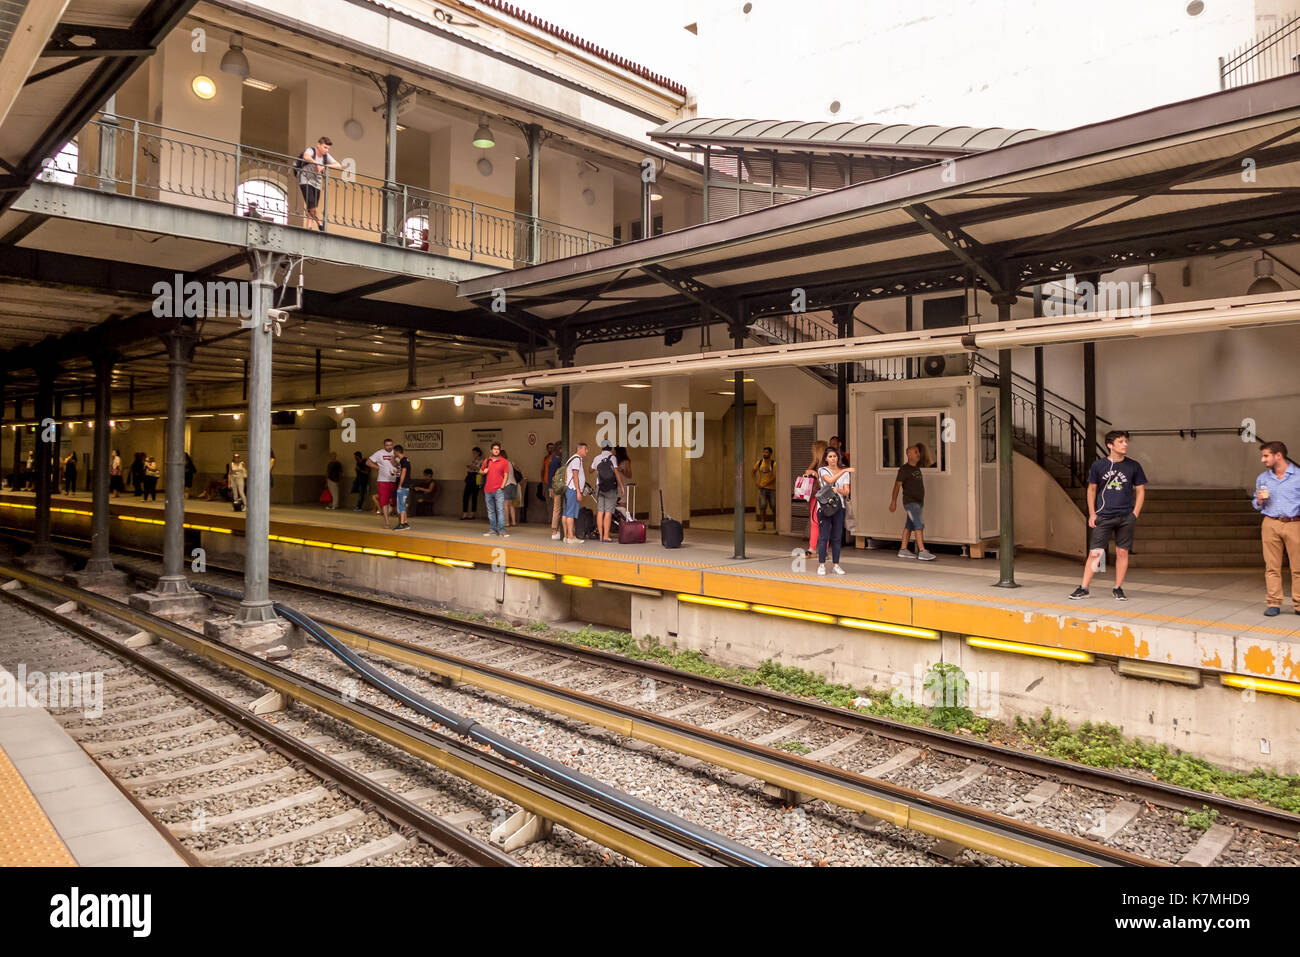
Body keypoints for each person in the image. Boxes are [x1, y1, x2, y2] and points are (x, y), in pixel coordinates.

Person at [1069, 430, 1148, 602]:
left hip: (1126, 516)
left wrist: (1135, 513)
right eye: (1120, 442)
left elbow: (1140, 490)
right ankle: (1084, 588)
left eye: (1125, 441)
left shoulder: (1133, 466)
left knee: (1122, 552)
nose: (1125, 444)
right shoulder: (1099, 466)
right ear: (1110, 445)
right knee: (1095, 553)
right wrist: (1092, 513)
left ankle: (1118, 587)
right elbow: (1091, 489)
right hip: (1104, 516)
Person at [1252, 440, 1300, 617]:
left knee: (1298, 567)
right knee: (1272, 566)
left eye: (1266, 456)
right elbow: (1256, 505)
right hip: (1270, 523)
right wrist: (1258, 500)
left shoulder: (1298, 477)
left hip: (1295, 523)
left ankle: (1299, 604)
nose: (1263, 459)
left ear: (1278, 455)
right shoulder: (1263, 478)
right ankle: (1273, 602)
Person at [807, 448, 853, 576]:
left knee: (837, 537)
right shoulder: (822, 470)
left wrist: (838, 490)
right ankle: (821, 564)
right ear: (826, 459)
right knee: (824, 536)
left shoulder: (844, 473)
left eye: (835, 456)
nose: (833, 459)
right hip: (824, 507)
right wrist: (844, 470)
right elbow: (829, 481)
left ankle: (836, 564)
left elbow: (846, 491)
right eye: (830, 456)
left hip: (839, 507)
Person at [891, 443, 935, 561]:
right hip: (910, 503)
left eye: (918, 452)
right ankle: (922, 551)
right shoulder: (904, 469)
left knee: (909, 526)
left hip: (919, 502)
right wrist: (893, 501)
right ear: (909, 454)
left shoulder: (916, 468)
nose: (918, 454)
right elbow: (897, 486)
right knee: (918, 524)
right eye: (916, 452)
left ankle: (903, 549)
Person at [296, 135, 343, 231]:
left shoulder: (326, 156)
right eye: (325, 147)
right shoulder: (311, 150)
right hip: (305, 179)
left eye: (328, 148)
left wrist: (325, 166)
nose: (326, 150)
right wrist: (316, 163)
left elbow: (338, 165)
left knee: (313, 206)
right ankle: (320, 224)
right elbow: (306, 156)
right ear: (318, 145)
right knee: (312, 204)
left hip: (317, 183)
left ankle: (309, 226)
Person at [590, 443, 624, 543]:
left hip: (600, 487)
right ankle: (606, 536)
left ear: (602, 447)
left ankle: (600, 536)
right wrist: (621, 486)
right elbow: (616, 473)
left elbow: (590, 470)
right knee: (608, 512)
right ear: (610, 448)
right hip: (610, 488)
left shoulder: (597, 458)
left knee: (600, 511)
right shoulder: (612, 458)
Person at [478, 443, 511, 537]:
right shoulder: (487, 461)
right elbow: (480, 471)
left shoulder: (504, 461)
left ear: (499, 450)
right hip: (487, 490)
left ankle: (502, 530)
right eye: (494, 449)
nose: (496, 450)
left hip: (498, 490)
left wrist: (502, 486)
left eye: (498, 449)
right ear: (491, 450)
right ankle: (493, 529)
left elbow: (506, 475)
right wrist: (483, 472)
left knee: (500, 510)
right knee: (490, 511)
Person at [367, 438, 399, 529]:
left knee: (395, 502)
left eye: (390, 445)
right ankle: (387, 522)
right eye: (387, 445)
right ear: (384, 445)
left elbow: (400, 464)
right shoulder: (379, 453)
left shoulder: (395, 452)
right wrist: (378, 468)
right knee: (384, 502)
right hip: (383, 481)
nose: (389, 447)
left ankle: (401, 522)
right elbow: (368, 462)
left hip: (394, 480)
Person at [561, 442, 589, 544]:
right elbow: (575, 475)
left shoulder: (571, 458)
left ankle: (566, 536)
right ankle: (571, 537)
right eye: (585, 449)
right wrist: (578, 491)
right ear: (580, 449)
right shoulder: (577, 459)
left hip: (568, 488)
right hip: (572, 489)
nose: (587, 451)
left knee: (566, 513)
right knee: (570, 514)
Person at [805, 439, 828, 557]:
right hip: (814, 496)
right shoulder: (817, 463)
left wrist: (814, 474)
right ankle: (812, 547)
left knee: (822, 522)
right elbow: (807, 474)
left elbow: (826, 481)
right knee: (814, 522)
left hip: (822, 496)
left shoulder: (826, 465)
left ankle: (823, 549)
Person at [752, 446, 776, 531]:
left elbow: (774, 477)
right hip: (762, 489)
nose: (765, 454)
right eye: (764, 452)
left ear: (770, 453)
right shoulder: (759, 463)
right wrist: (756, 482)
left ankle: (775, 522)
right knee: (762, 507)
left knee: (774, 506)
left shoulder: (773, 463)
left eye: (767, 452)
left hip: (772, 489)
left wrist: (765, 483)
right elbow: (753, 472)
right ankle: (763, 524)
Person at [392, 444, 412, 531]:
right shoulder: (405, 460)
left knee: (401, 505)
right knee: (402, 503)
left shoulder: (403, 461)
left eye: (394, 452)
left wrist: (400, 484)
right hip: (405, 485)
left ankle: (402, 523)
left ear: (397, 451)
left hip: (403, 486)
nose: (393, 453)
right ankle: (406, 523)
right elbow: (401, 472)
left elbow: (403, 472)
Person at [547, 445, 564, 540]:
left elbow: (549, 477)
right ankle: (554, 531)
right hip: (558, 488)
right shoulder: (557, 462)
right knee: (557, 509)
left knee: (556, 508)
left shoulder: (551, 461)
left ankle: (555, 530)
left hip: (553, 488)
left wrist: (550, 488)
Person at [504, 451, 525, 527]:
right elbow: (519, 470)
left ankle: (507, 522)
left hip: (506, 484)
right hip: (514, 484)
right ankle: (513, 522)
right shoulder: (511, 462)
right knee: (512, 504)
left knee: (506, 505)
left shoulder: (502, 463)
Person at [462, 447, 483, 520]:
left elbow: (481, 470)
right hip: (470, 477)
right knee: (465, 495)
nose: (473, 454)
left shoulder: (482, 461)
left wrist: (479, 483)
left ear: (478, 453)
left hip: (477, 477)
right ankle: (465, 513)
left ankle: (472, 513)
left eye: (474, 453)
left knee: (474, 496)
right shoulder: (474, 460)